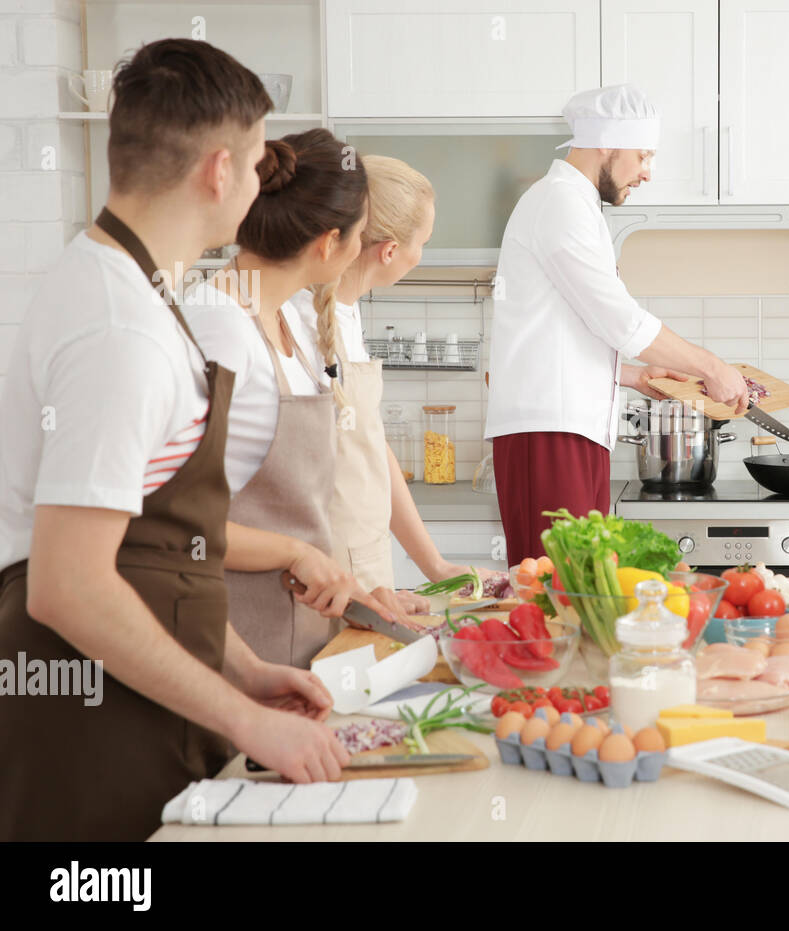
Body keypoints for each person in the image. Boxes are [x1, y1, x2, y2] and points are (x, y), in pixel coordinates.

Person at [0, 39, 348, 842]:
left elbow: (152, 549)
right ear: (219, 170)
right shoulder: (121, 330)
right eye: (260, 160)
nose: (266, 181)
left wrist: (245, 670)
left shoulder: (133, 290)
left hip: (142, 696)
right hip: (87, 717)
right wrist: (248, 721)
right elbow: (69, 585)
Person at [484, 84, 749, 565]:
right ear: (605, 141)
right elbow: (620, 319)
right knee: (558, 592)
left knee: (580, 592)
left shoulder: (575, 204)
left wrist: (633, 376)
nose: (648, 172)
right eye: (643, 155)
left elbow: (568, 330)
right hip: (548, 433)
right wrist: (712, 367)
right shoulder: (560, 203)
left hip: (569, 428)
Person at [182, 129, 401, 668]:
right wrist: (298, 554)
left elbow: (295, 507)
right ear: (328, 244)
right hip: (232, 641)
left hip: (297, 630)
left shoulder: (292, 322)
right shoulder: (220, 331)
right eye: (360, 234)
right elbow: (177, 524)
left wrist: (351, 596)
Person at [287, 155, 489, 614]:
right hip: (328, 576)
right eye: (425, 243)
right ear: (390, 251)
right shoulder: (300, 320)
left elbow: (372, 445)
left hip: (366, 562)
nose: (424, 255)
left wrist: (435, 566)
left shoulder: (346, 311)